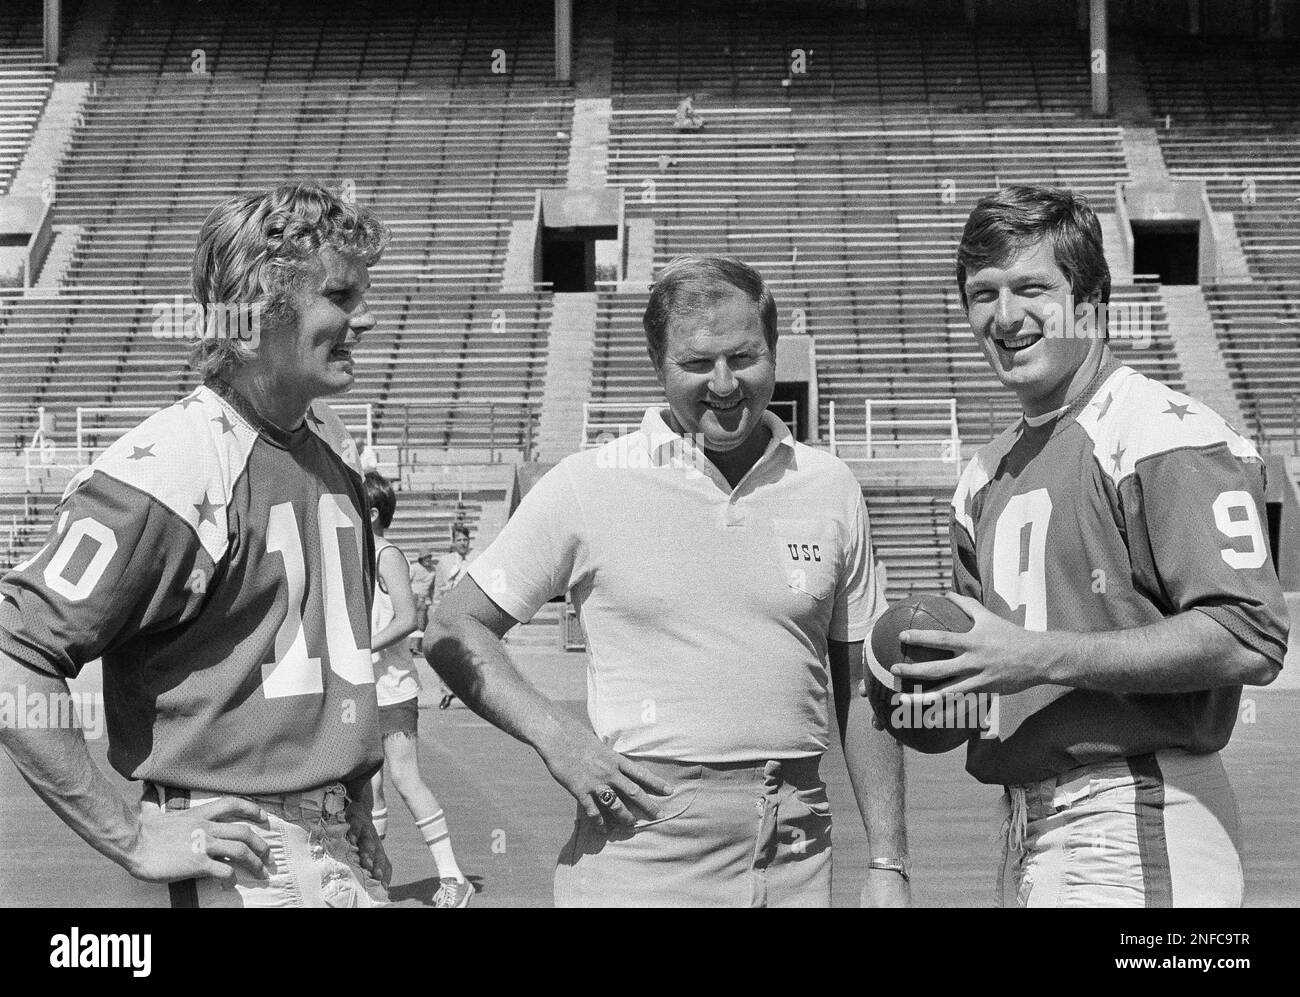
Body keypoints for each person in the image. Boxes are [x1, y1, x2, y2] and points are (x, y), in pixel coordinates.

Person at [425, 255, 909, 908]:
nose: (725, 384)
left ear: (774, 351)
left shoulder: (829, 485)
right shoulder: (588, 482)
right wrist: (559, 738)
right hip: (644, 842)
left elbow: (860, 683)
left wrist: (888, 860)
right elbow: (454, 624)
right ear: (657, 366)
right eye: (696, 363)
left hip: (799, 842)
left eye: (744, 356)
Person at [892, 185, 1289, 907]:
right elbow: (990, 685)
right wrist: (922, 691)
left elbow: (1251, 636)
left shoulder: (1161, 431)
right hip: (1023, 824)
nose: (1005, 316)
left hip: (1138, 810)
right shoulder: (982, 474)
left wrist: (1035, 654)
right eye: (983, 293)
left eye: (1031, 288)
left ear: (1092, 301)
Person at [0, 181, 393, 907]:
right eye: (340, 296)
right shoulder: (173, 465)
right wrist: (127, 831)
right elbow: (12, 656)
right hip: (238, 857)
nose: (364, 318)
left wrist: (348, 788)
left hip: (328, 848)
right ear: (254, 315)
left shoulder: (330, 456)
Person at [363, 472, 473, 908]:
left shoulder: (387, 555)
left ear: (371, 513)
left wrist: (360, 647)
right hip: (364, 690)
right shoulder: (354, 554)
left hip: (392, 688)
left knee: (406, 779)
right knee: (369, 790)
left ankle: (452, 876)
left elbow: (409, 618)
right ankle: (376, 882)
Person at [433, 524, 474, 709]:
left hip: (469, 611)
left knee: (470, 652)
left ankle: (471, 692)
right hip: (448, 611)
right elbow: (438, 589)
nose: (463, 543)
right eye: (459, 540)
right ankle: (446, 692)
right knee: (445, 654)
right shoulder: (445, 562)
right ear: (453, 542)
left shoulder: (475, 559)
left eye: (465, 540)